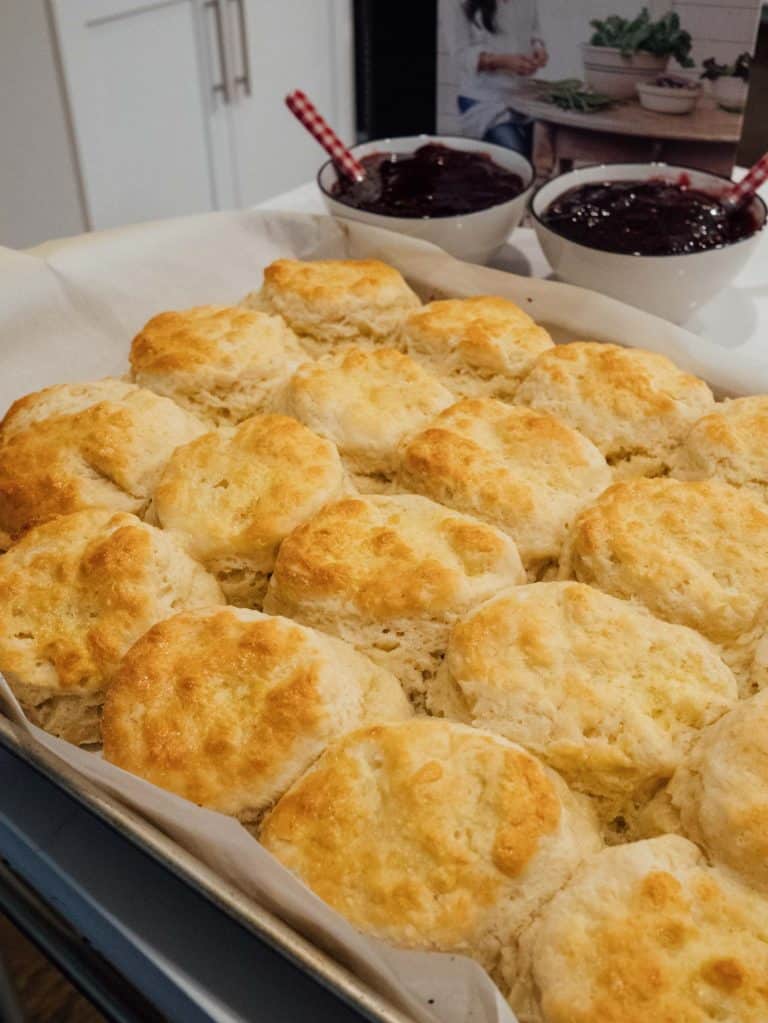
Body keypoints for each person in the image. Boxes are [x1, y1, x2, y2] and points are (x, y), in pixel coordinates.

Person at [445, 0, 548, 154]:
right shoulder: (456, 3)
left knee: (539, 153)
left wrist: (538, 50)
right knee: (515, 156)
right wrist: (501, 61)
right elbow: (460, 55)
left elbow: (534, 32)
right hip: (482, 100)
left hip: (522, 97)